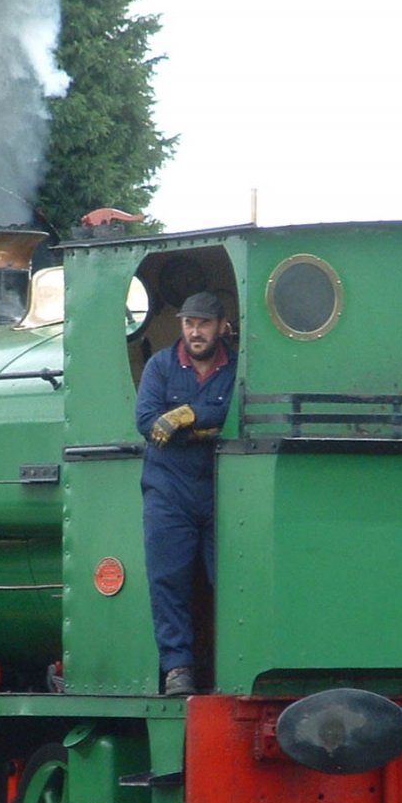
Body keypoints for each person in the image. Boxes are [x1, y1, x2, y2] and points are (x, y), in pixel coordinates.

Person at [135, 291, 236, 695]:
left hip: (222, 491)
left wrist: (187, 415)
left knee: (228, 580)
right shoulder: (160, 365)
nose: (195, 332)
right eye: (189, 323)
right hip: (168, 491)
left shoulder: (238, 369)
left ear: (221, 327)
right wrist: (205, 429)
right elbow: (146, 421)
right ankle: (178, 669)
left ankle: (231, 665)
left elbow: (235, 413)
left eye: (204, 323)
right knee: (168, 581)